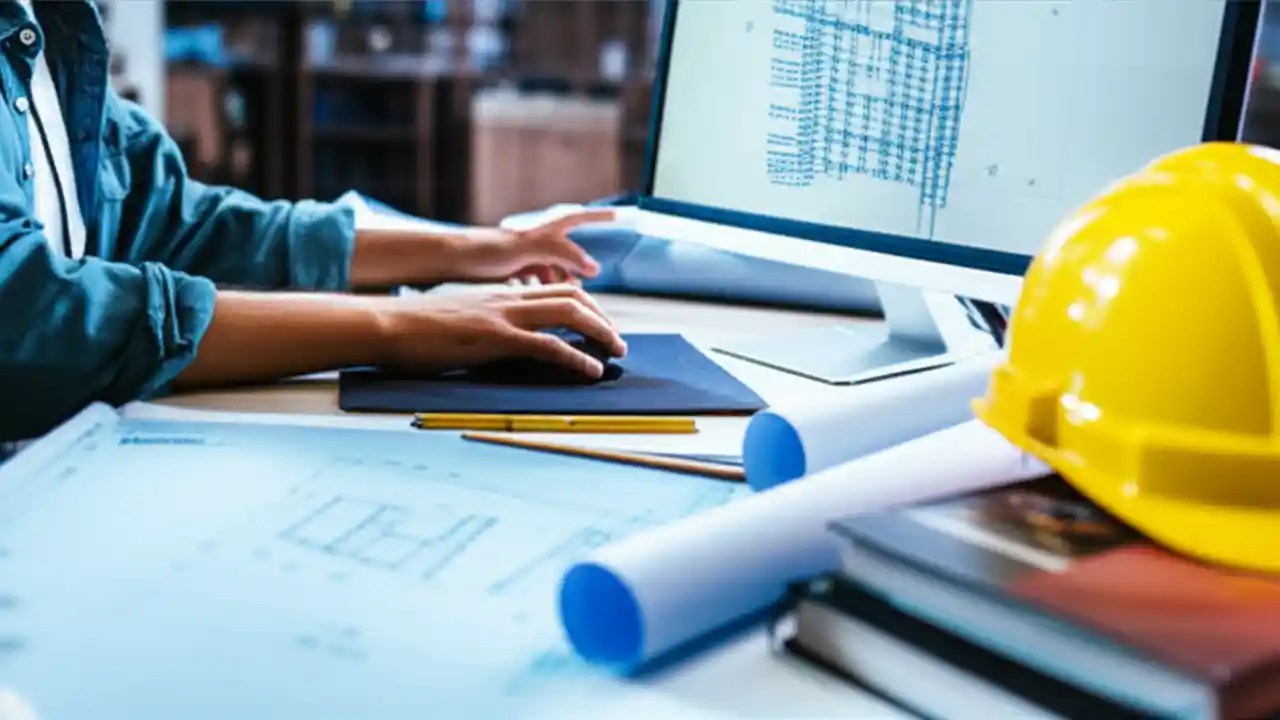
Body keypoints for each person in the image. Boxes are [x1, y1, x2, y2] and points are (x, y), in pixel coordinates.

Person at [0, 0, 627, 443]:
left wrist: (468, 250)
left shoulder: (54, 23)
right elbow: (24, 315)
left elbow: (181, 223)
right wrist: (394, 327)